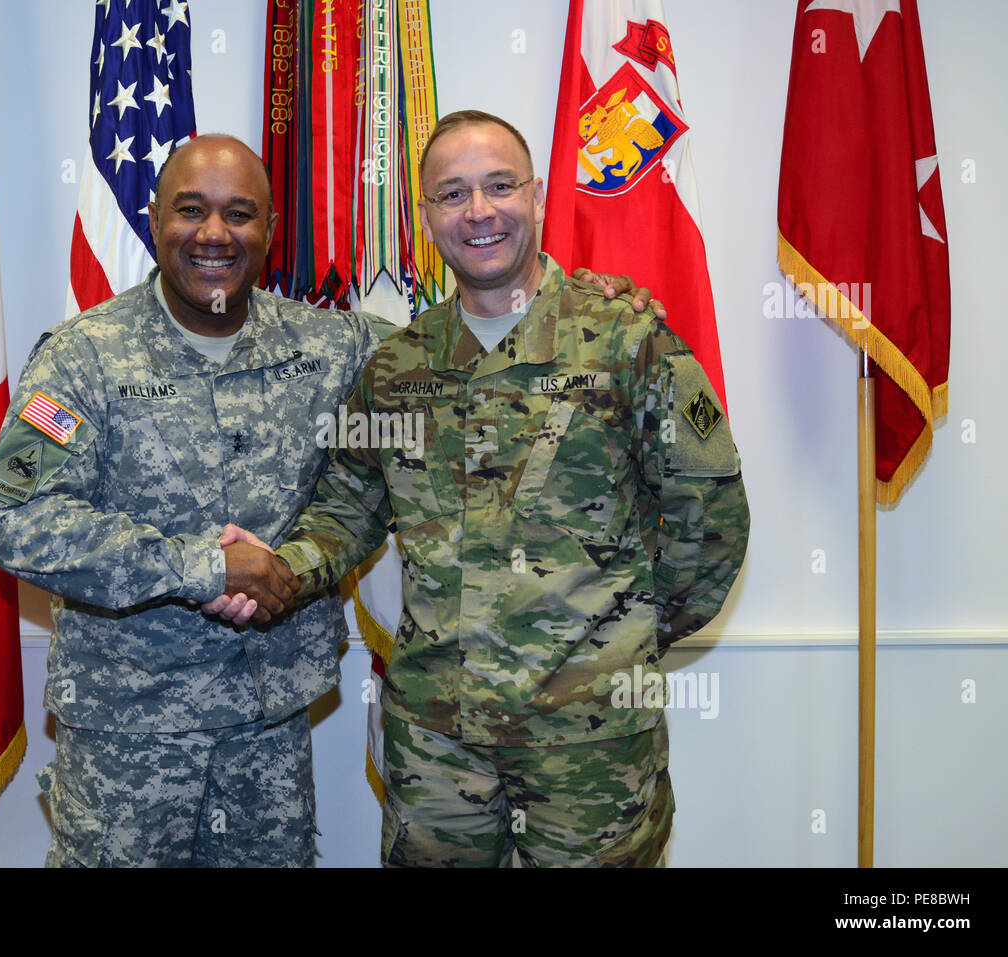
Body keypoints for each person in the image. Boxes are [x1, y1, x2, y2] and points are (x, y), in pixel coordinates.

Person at [0, 131, 659, 868]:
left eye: (240, 213)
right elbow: (17, 519)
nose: (214, 233)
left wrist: (572, 299)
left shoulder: (333, 345)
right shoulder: (83, 355)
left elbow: (466, 343)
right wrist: (203, 566)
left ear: (270, 232)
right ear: (153, 221)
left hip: (267, 737)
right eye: (190, 211)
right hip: (125, 741)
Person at [219, 110, 750, 867]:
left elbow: (712, 512)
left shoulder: (626, 341)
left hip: (590, 747)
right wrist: (274, 569)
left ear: (535, 197)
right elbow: (347, 510)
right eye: (453, 193)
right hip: (437, 749)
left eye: (500, 186)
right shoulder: (399, 368)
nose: (480, 212)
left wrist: (618, 639)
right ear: (426, 218)